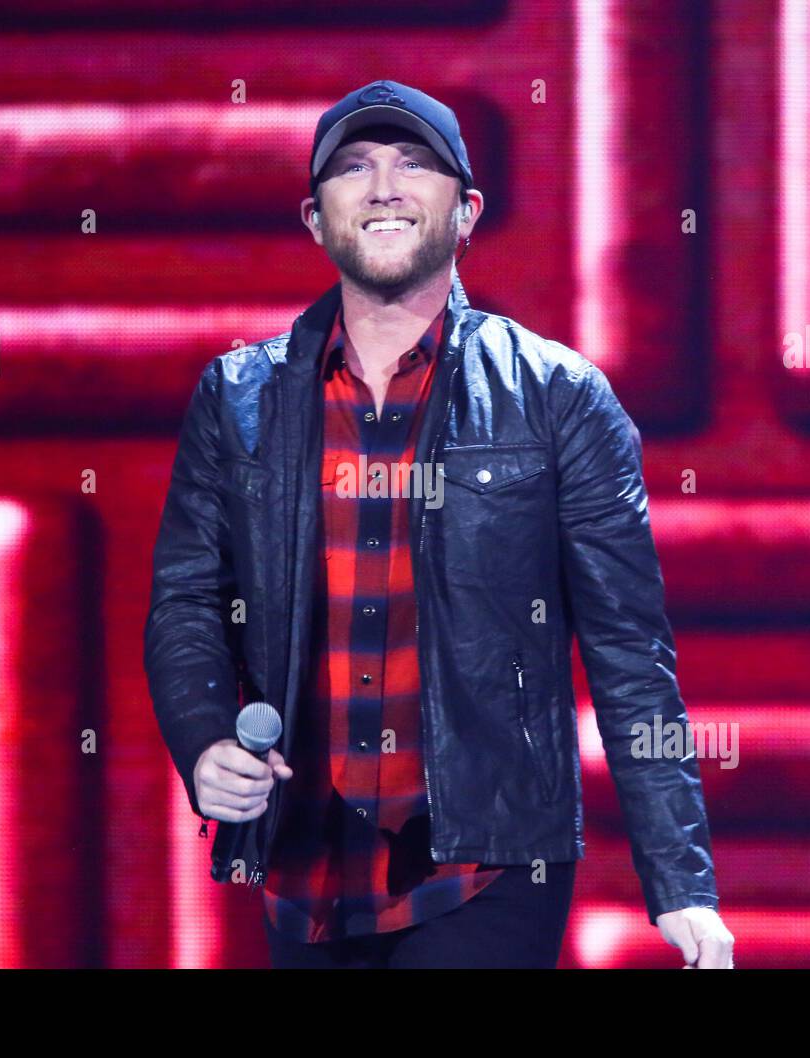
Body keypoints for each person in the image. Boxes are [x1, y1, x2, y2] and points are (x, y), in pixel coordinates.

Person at [145, 79, 734, 969]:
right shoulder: (238, 398)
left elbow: (628, 650)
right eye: (353, 169)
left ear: (467, 211)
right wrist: (203, 742)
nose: (383, 187)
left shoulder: (559, 397)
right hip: (302, 864)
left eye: (413, 164)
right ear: (315, 218)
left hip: (489, 867)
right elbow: (187, 602)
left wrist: (681, 881)